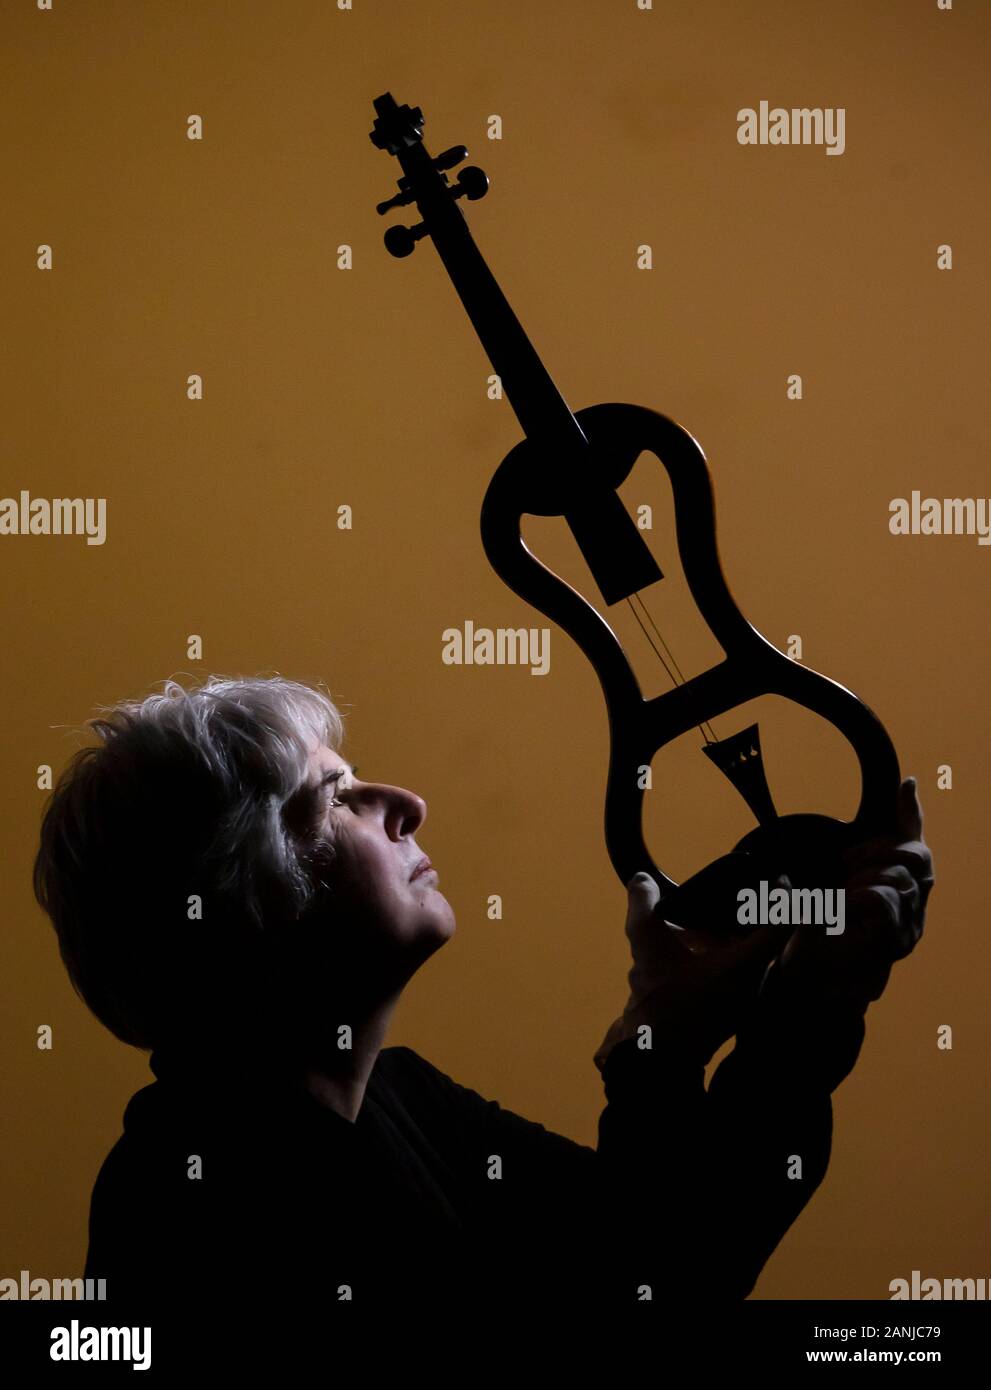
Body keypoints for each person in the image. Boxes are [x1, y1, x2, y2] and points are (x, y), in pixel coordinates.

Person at [33, 675, 933, 1310]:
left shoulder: (404, 1099)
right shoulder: (183, 1206)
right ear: (241, 888)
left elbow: (661, 1260)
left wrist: (710, 1028)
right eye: (335, 796)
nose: (406, 800)